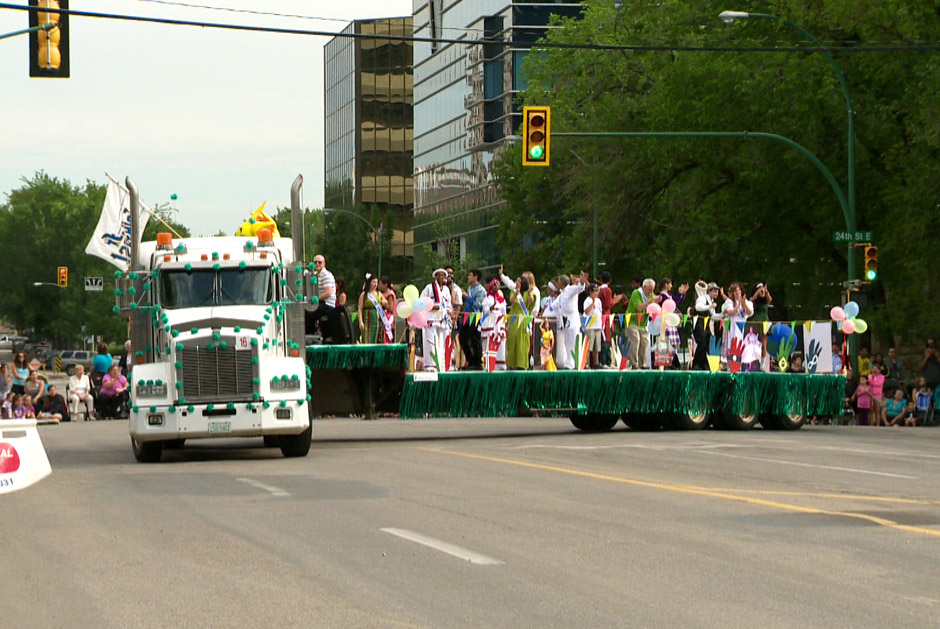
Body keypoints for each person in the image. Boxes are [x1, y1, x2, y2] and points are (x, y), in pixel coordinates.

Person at [500, 266, 536, 370]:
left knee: (522, 344)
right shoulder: (514, 292)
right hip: (513, 321)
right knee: (512, 341)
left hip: (523, 321)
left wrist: (528, 294)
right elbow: (512, 300)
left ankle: (522, 364)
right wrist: (517, 292)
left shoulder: (530, 293)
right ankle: (511, 364)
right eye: (516, 281)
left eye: (519, 281)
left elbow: (531, 302)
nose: (516, 282)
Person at [420, 268, 454, 371]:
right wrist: (431, 306)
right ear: (435, 276)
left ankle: (443, 363)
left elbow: (448, 305)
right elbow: (421, 301)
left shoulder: (447, 289)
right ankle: (431, 365)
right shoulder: (429, 288)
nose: (441, 277)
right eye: (439, 275)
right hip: (431, 318)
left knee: (443, 341)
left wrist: (450, 312)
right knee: (431, 341)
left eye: (443, 275)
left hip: (443, 319)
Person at [556, 273, 587, 370]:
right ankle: (569, 362)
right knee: (567, 342)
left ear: (562, 283)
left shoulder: (570, 289)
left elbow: (580, 288)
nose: (557, 284)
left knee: (574, 341)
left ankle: (575, 362)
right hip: (565, 320)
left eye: (558, 282)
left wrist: (582, 282)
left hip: (573, 319)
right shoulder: (562, 294)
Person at [625, 278, 658, 369]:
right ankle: (634, 363)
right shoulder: (636, 293)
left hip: (643, 322)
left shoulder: (650, 294)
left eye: (653, 289)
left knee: (644, 342)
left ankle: (642, 363)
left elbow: (653, 305)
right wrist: (650, 300)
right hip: (632, 321)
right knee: (635, 340)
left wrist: (657, 300)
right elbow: (639, 308)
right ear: (644, 287)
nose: (651, 291)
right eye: (650, 289)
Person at [459, 269, 486, 370]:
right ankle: (470, 359)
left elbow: (477, 305)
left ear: (475, 277)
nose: (468, 277)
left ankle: (478, 361)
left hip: (475, 318)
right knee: (462, 338)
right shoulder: (470, 288)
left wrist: (467, 297)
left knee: (475, 339)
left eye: (470, 275)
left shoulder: (481, 290)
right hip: (466, 317)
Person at [691, 282, 721, 370]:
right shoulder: (702, 299)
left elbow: (713, 316)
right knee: (702, 344)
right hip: (700, 325)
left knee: (705, 344)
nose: (716, 294)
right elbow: (698, 307)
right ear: (709, 291)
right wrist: (709, 306)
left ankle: (702, 364)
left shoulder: (711, 302)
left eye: (717, 292)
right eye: (714, 291)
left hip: (706, 326)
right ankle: (697, 365)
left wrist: (723, 315)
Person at [596, 271, 624, 367]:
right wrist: (615, 300)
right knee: (606, 338)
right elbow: (608, 305)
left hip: (600, 316)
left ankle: (603, 360)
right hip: (606, 316)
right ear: (610, 280)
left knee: (602, 338)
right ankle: (606, 361)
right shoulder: (607, 290)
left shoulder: (598, 290)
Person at [480, 278, 508, 371]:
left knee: (501, 343)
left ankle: (500, 364)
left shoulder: (502, 300)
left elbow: (504, 313)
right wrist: (492, 307)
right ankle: (489, 364)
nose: (497, 286)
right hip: (490, 322)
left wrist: (506, 325)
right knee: (490, 342)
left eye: (498, 285)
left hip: (500, 323)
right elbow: (485, 310)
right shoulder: (487, 298)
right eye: (495, 285)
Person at [721, 282, 753, 348]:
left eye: (739, 290)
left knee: (743, 345)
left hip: (743, 325)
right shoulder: (729, 302)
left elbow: (750, 313)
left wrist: (744, 304)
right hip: (733, 326)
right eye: (735, 291)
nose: (737, 292)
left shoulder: (747, 301)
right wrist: (738, 305)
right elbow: (730, 313)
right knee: (733, 345)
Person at [357, 274, 383, 344]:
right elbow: (360, 309)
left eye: (377, 282)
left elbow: (383, 303)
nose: (375, 284)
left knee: (374, 339)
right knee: (366, 340)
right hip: (366, 320)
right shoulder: (364, 294)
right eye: (373, 282)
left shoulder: (379, 294)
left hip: (375, 320)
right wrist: (361, 322)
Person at [582, 283, 603, 369]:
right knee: (589, 346)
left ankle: (596, 362)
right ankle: (586, 363)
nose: (596, 293)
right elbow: (586, 311)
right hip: (590, 325)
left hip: (598, 324)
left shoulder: (599, 301)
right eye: (595, 291)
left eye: (597, 291)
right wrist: (592, 303)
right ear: (590, 292)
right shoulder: (587, 300)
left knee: (596, 346)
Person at [379, 276, 397, 343]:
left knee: (387, 335)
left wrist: (385, 304)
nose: (379, 286)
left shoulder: (390, 294)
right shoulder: (382, 293)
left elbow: (390, 308)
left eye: (380, 284)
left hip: (388, 317)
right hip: (383, 316)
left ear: (385, 284)